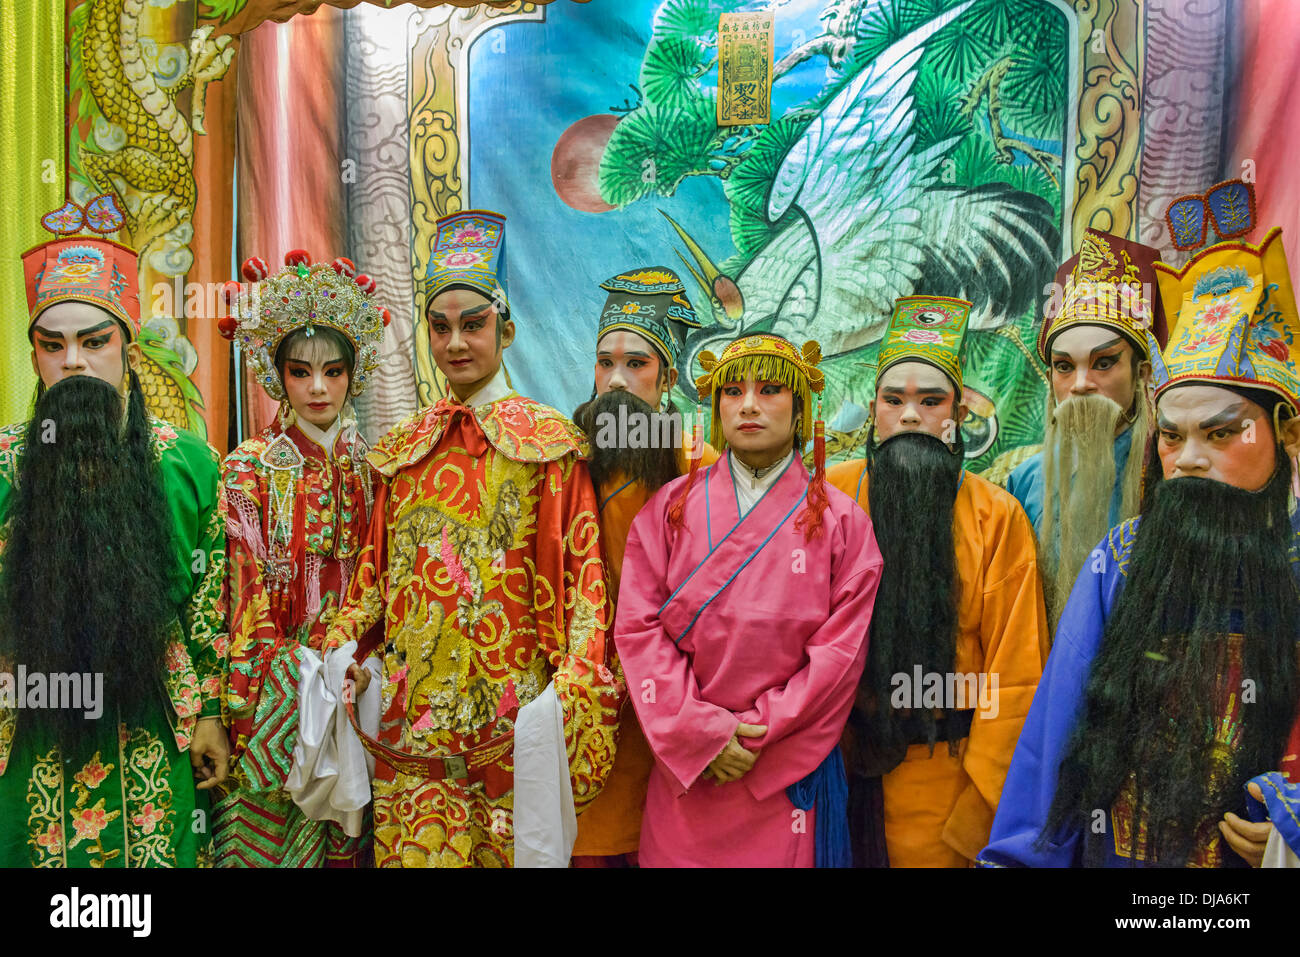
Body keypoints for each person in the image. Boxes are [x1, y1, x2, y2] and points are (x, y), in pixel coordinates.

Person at [980, 228, 1300, 867]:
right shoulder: (1121, 558)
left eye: (1219, 433)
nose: (1189, 460)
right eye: (1173, 438)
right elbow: (1057, 734)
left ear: (1286, 433)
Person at [321, 210, 620, 867]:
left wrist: (570, 693)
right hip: (412, 720)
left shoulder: (549, 448)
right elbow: (370, 585)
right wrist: (345, 655)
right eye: (440, 325)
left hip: (511, 721)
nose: (455, 341)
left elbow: (585, 592)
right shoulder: (402, 453)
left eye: (473, 324)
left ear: (506, 330)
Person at [0, 196, 228, 867]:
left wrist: (211, 710)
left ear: (126, 347)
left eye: (94, 341)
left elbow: (207, 601)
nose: (74, 361)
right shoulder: (5, 466)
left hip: (154, 717)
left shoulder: (188, 462)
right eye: (53, 344)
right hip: (32, 720)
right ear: (36, 353)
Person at [615, 333, 882, 867]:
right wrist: (701, 733)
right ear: (715, 408)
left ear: (802, 406)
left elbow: (839, 657)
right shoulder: (669, 510)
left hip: (782, 770)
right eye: (732, 391)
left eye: (770, 390)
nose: (750, 405)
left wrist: (757, 732)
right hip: (688, 770)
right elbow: (638, 631)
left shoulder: (843, 523)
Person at [827, 296, 1048, 867]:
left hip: (947, 774)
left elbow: (1017, 677)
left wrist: (978, 812)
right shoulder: (826, 497)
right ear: (873, 409)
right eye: (893, 400)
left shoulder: (995, 516)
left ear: (957, 414)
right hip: (833, 770)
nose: (909, 416)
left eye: (930, 401)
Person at [211, 250, 388, 867]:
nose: (318, 388)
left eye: (334, 371)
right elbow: (240, 595)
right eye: (300, 371)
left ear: (354, 375)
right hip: (276, 701)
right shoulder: (247, 468)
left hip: (361, 690)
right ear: (276, 375)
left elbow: (390, 582)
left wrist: (365, 667)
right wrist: (269, 691)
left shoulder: (381, 469)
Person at [569, 266, 718, 866]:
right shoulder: (563, 457)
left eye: (637, 365)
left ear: (669, 379)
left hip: (670, 703)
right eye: (606, 363)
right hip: (583, 698)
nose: (616, 381)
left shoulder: (700, 466)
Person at [1006, 229, 1168, 620]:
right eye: (1064, 366)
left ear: (1141, 373)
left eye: (1104, 362)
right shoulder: (1024, 480)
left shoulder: (1169, 472)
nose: (1080, 384)